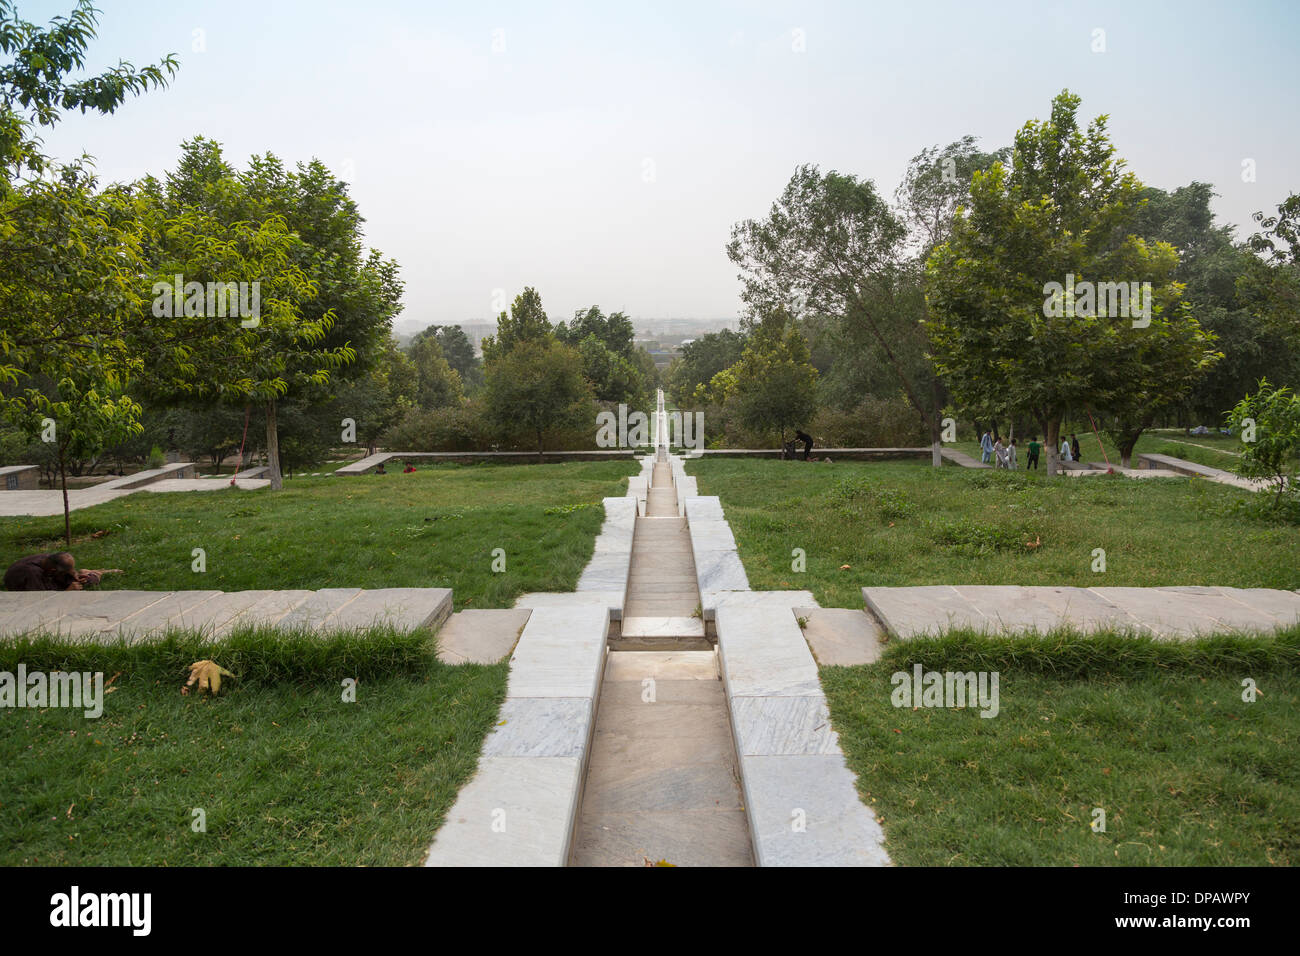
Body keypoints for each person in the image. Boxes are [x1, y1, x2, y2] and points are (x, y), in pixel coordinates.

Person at [4, 552, 121, 591]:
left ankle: (94, 573)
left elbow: (68, 574)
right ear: (53, 570)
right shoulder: (31, 573)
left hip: (50, 577)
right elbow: (41, 600)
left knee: (87, 581)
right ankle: (95, 572)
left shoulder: (50, 560)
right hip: (31, 588)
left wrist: (76, 576)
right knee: (77, 586)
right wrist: (67, 592)